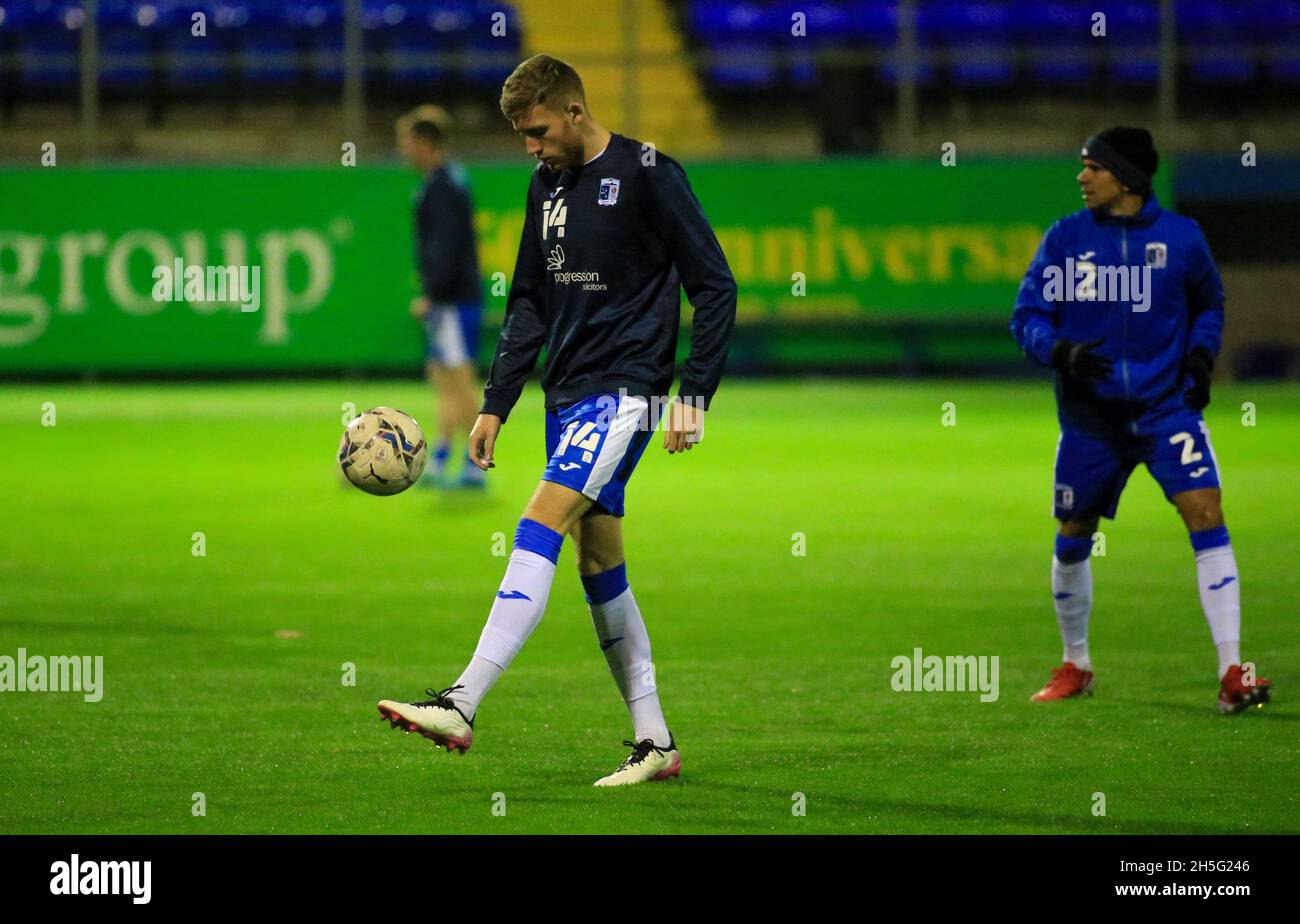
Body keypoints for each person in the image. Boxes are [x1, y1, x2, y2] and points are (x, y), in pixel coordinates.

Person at [378, 55, 738, 783]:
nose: (530, 146)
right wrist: (496, 404)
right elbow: (530, 301)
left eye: (537, 130)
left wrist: (693, 395)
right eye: (520, 135)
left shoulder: (649, 174)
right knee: (599, 562)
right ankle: (655, 741)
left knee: (538, 522)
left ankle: (463, 700)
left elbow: (715, 284)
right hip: (565, 397)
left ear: (573, 110)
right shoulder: (545, 184)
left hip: (626, 393)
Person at [1011, 126, 1271, 714]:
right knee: (1073, 534)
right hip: (1091, 420)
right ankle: (1076, 663)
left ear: (1124, 177)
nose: (1081, 177)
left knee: (1206, 510)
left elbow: (1209, 303)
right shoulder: (1065, 240)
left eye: (1092, 168)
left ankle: (1234, 671)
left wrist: (1203, 355)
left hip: (1165, 410)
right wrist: (1057, 351)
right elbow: (1026, 314)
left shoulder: (1182, 240)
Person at [396, 105, 486, 488]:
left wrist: (431, 296)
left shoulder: (442, 188)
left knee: (459, 379)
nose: (402, 150)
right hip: (454, 297)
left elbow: (445, 250)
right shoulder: (446, 181)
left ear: (424, 142)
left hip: (452, 300)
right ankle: (445, 455)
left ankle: (475, 463)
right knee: (443, 377)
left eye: (406, 142)